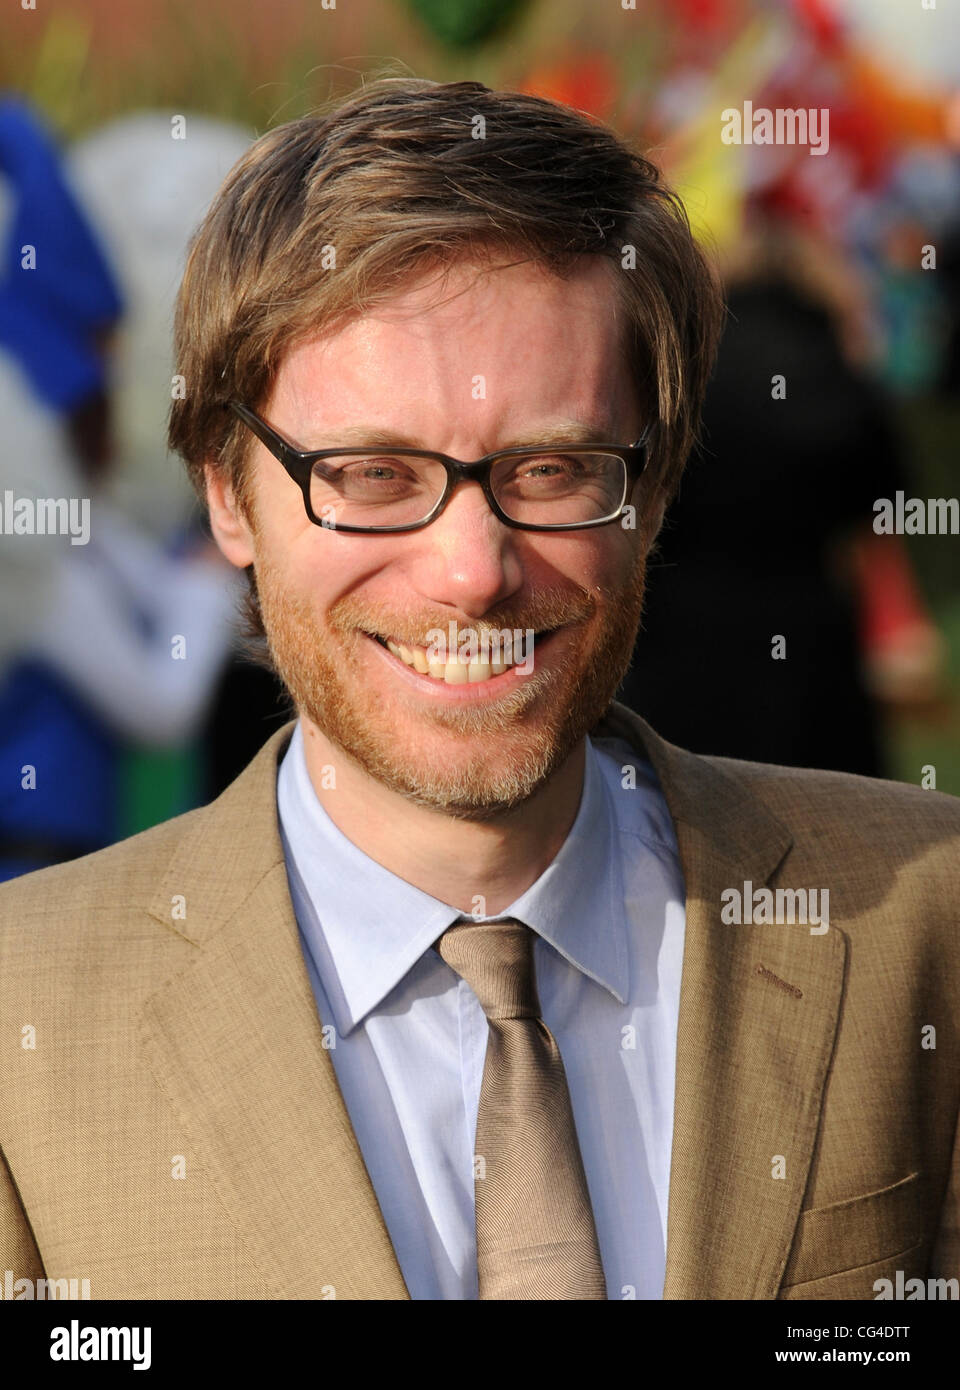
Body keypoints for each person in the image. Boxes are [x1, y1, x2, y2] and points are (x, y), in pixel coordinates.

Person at [0, 78, 957, 1301]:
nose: (474, 570)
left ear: (653, 490)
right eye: (374, 473)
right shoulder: (21, 1016)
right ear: (228, 493)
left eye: (552, 467)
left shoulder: (931, 921)